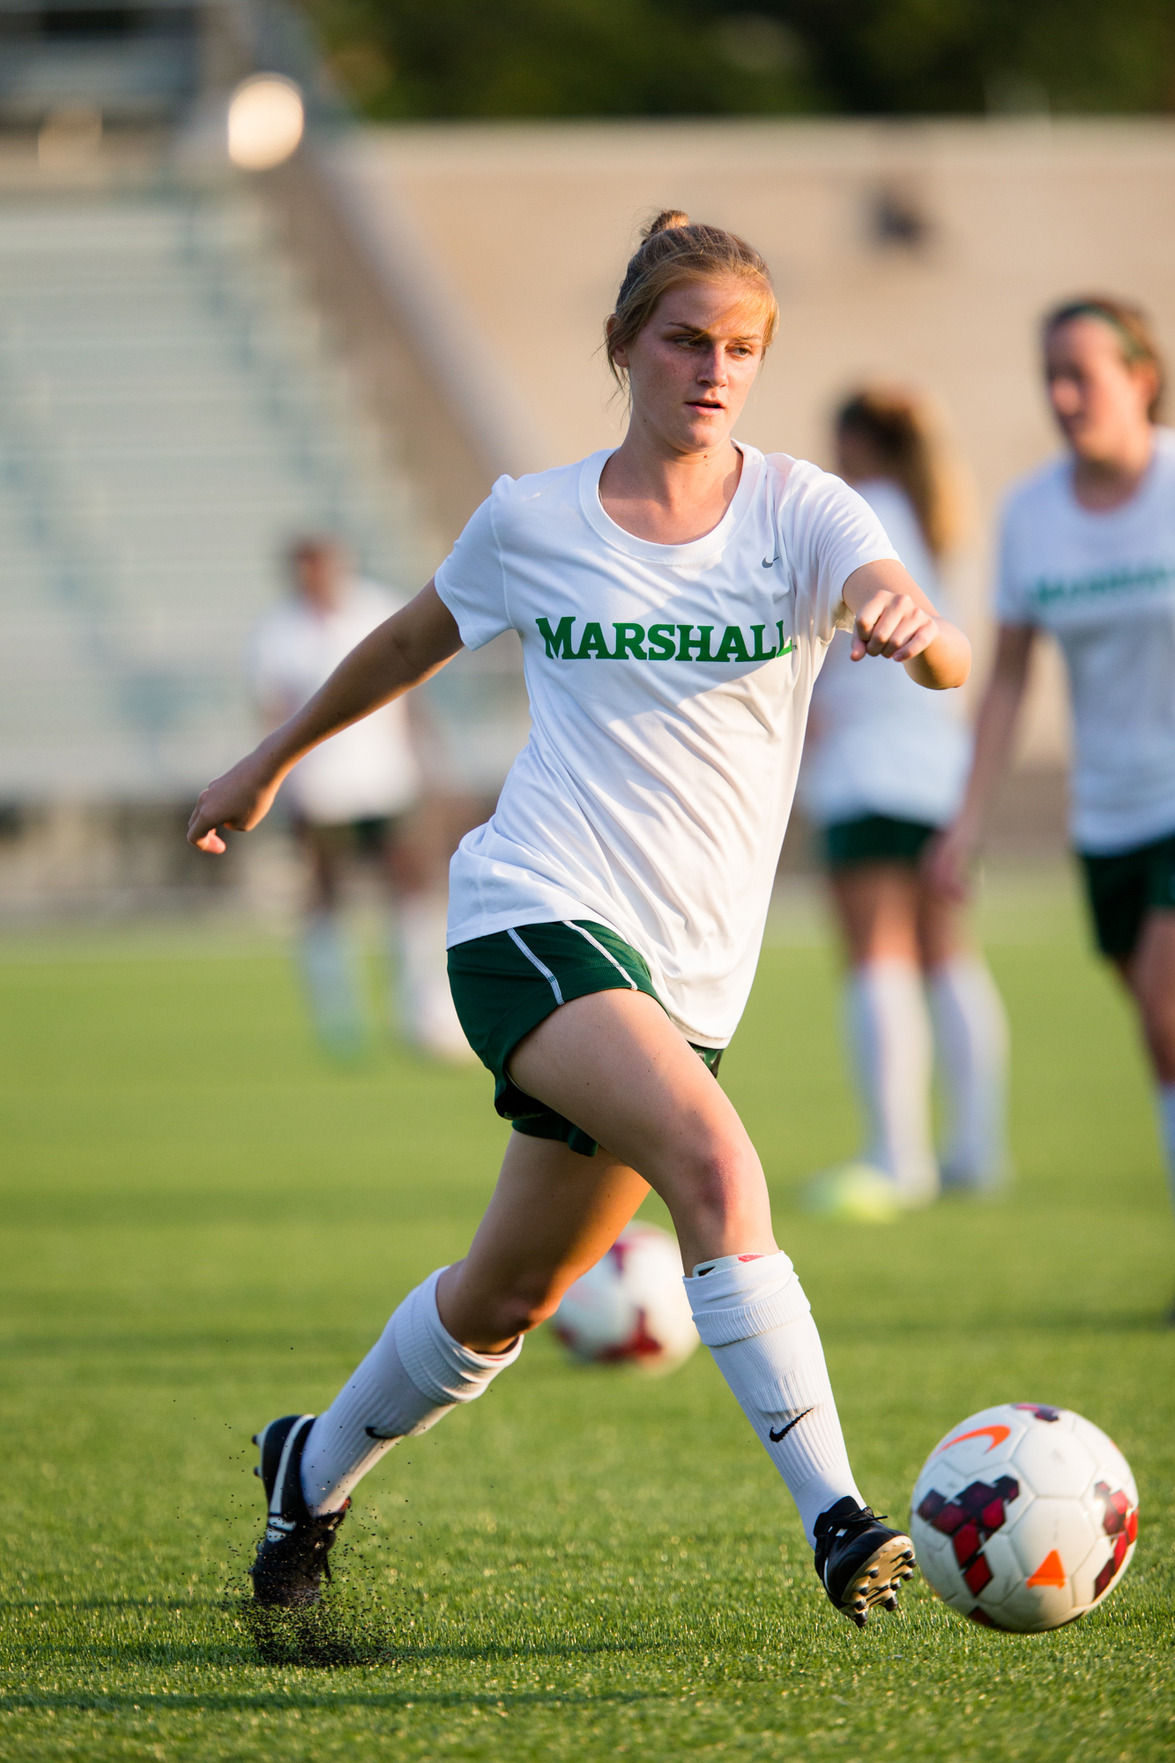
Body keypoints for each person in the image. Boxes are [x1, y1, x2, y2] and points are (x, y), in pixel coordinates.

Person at [188, 212, 971, 1627]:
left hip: (683, 977)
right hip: (529, 915)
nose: (713, 369)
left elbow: (921, 626)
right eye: (684, 341)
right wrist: (271, 759)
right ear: (623, 347)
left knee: (503, 1295)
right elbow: (407, 640)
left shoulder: (802, 511)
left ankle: (310, 1465)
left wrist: (906, 621)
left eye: (739, 348)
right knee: (718, 1171)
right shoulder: (531, 518)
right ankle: (837, 1516)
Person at [931, 295, 1175, 1314]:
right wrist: (965, 814)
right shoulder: (1031, 512)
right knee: (1153, 1031)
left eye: (1084, 372)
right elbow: (1005, 677)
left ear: (1140, 377)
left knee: (1168, 1011)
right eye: (1050, 376)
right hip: (1104, 817)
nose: (1064, 395)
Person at [799, 389, 1009, 1215]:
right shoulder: (940, 519)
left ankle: (897, 1156)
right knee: (945, 952)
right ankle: (976, 1149)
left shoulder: (861, 514)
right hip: (938, 765)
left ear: (856, 440)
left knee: (875, 955)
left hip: (866, 764)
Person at [250, 534, 466, 1061]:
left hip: (386, 779)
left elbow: (412, 689)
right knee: (326, 898)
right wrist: (277, 780)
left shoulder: (378, 608)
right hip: (321, 789)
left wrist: (431, 763)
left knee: (412, 889)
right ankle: (338, 1020)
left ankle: (423, 1012)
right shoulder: (278, 634)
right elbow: (273, 713)